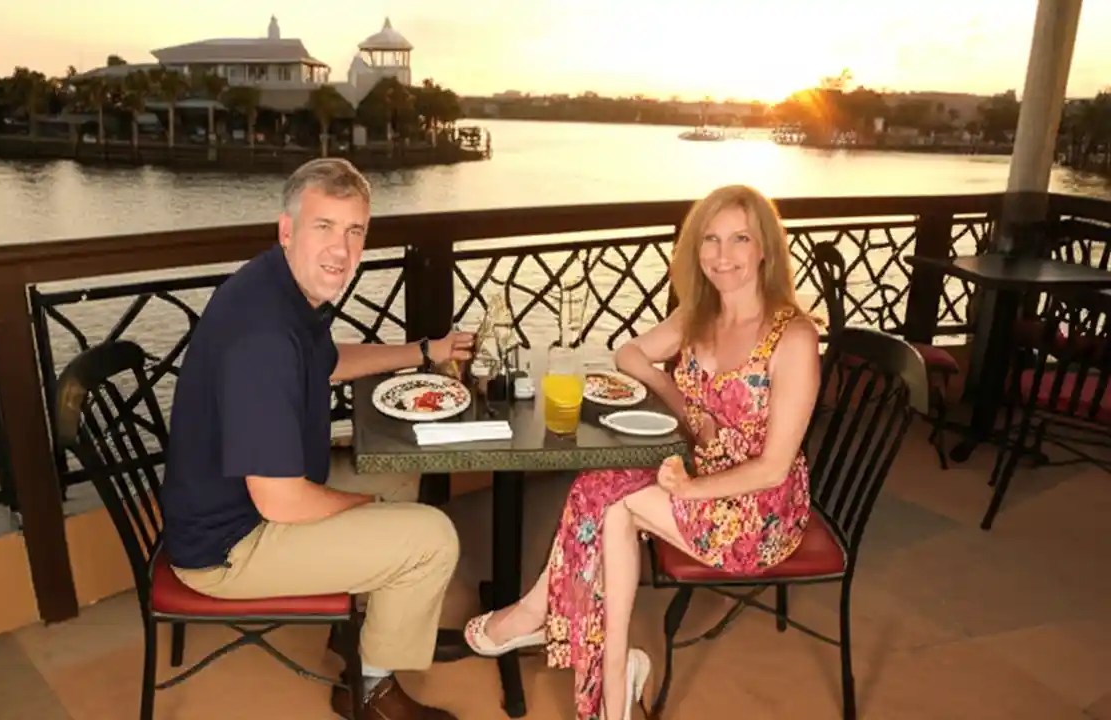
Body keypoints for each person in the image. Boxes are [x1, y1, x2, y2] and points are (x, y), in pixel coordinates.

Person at [462, 185, 820, 719]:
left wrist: (694, 486)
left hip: (758, 513)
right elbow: (627, 354)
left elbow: (771, 470)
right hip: (695, 471)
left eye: (739, 239)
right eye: (711, 240)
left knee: (609, 504)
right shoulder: (699, 315)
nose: (723, 256)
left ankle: (545, 620)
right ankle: (611, 683)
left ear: (764, 247)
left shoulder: (792, 338)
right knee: (600, 489)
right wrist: (683, 404)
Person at [161, 158, 475, 720]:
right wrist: (362, 506)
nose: (342, 249)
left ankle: (371, 630)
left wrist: (428, 350)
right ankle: (372, 693)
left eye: (355, 231)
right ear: (288, 230)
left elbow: (330, 362)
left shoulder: (278, 287)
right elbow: (281, 501)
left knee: (401, 469)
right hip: (228, 547)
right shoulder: (263, 336)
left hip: (243, 504)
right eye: (323, 227)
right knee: (432, 537)